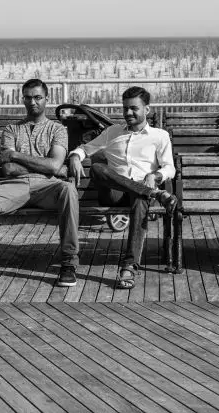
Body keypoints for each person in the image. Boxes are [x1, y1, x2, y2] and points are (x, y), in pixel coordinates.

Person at [0, 79, 80, 292]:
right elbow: (8, 170)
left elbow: (55, 165)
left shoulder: (58, 129)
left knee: (68, 189)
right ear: (23, 99)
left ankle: (68, 263)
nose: (33, 102)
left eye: (38, 97)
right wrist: (46, 167)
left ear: (47, 99)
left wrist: (17, 155)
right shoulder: (11, 130)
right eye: (28, 97)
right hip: (16, 186)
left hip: (48, 187)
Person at [67, 87, 177, 290]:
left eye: (134, 108)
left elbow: (169, 167)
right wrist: (75, 156)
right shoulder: (112, 132)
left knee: (140, 197)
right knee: (98, 168)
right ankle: (154, 194)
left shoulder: (159, 136)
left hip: (141, 192)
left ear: (147, 109)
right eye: (125, 108)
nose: (128, 113)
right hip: (114, 193)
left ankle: (129, 266)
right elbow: (85, 149)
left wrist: (156, 176)